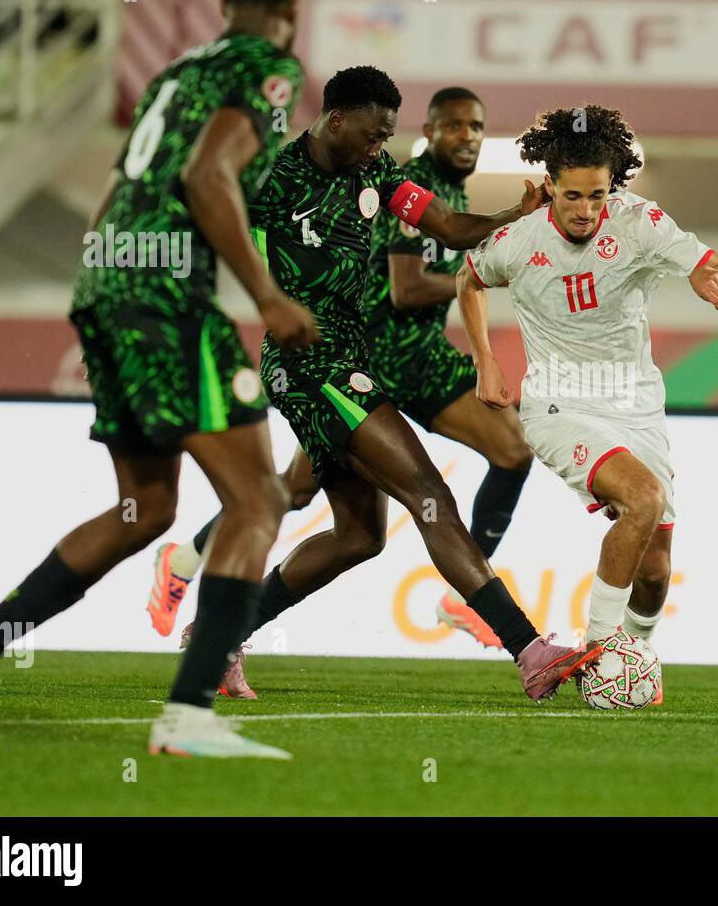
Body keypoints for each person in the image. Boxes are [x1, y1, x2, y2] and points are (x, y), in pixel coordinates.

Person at [0, 0, 319, 759]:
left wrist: (109, 282)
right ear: (289, 8)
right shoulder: (269, 67)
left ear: (226, 0)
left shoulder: (178, 72)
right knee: (258, 502)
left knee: (147, 508)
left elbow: (120, 189)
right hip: (166, 302)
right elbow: (209, 175)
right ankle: (188, 718)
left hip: (106, 284)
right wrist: (269, 298)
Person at [155, 68, 597, 702]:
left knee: (359, 537)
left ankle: (217, 636)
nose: (378, 147)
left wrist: (516, 215)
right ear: (337, 119)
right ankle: (529, 651)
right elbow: (197, 228)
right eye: (372, 134)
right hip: (312, 365)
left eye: (386, 135)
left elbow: (446, 226)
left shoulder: (376, 170)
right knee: (429, 495)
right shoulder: (274, 179)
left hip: (351, 359)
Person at [457, 105, 718, 705]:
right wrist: (486, 360)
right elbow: (469, 280)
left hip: (636, 406)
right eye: (572, 196)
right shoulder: (517, 241)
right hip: (557, 405)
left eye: (597, 196)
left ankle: (638, 648)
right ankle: (600, 651)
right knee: (640, 499)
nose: (585, 211)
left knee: (655, 566)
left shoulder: (640, 223)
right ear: (549, 186)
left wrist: (713, 274)